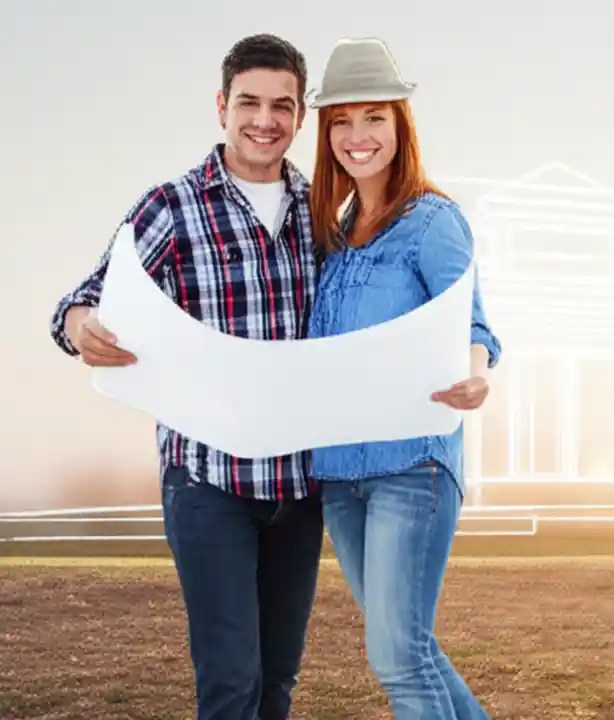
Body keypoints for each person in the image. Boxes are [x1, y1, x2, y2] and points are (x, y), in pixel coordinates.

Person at [50, 34, 323, 720]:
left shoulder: (324, 213)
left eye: (282, 106)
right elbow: (82, 299)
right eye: (250, 103)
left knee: (277, 681)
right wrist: (85, 328)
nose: (266, 120)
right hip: (208, 481)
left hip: (301, 483)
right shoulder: (171, 207)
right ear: (222, 106)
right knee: (230, 678)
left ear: (300, 115)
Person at [304, 37, 501, 719]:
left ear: (400, 125)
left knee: (395, 656)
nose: (358, 136)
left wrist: (476, 377)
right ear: (326, 134)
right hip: (338, 475)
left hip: (410, 466)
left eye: (373, 118)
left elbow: (473, 326)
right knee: (410, 648)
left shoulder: (433, 222)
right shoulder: (332, 234)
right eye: (341, 122)